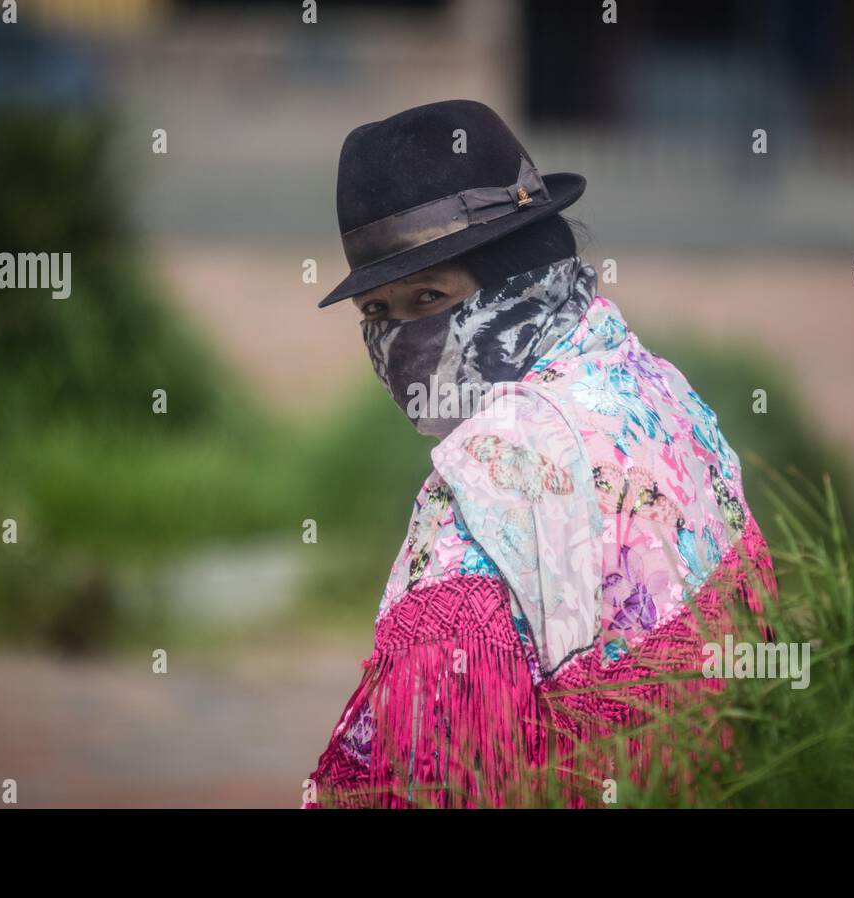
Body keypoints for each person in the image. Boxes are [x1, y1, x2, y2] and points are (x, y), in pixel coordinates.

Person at [304, 100, 776, 808]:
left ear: (523, 279)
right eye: (378, 312)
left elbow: (427, 773)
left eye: (430, 297)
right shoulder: (647, 388)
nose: (404, 342)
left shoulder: (489, 491)